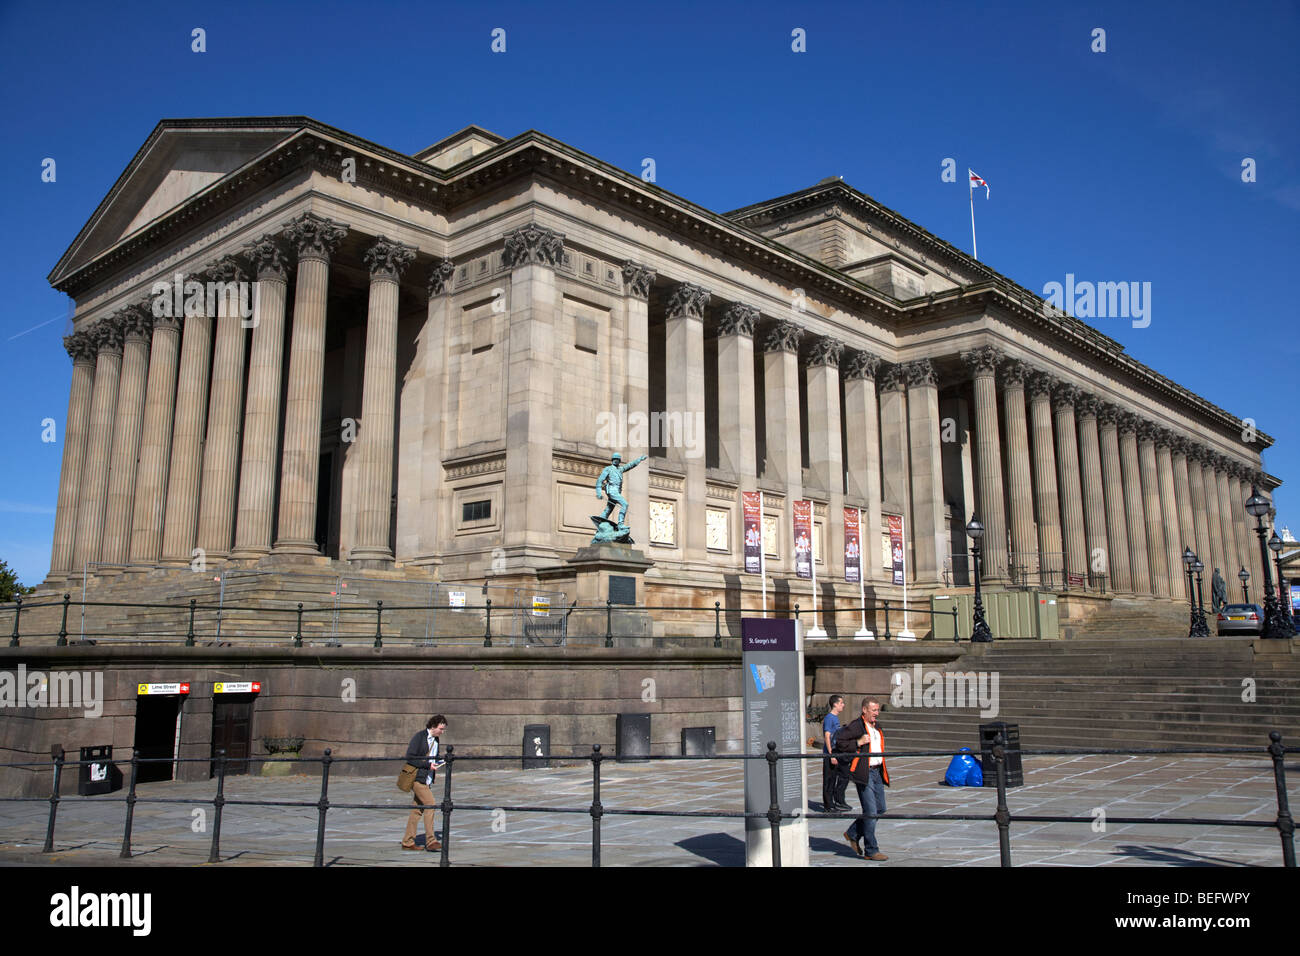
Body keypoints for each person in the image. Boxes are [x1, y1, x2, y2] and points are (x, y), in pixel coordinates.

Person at [837, 698, 890, 861]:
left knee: (880, 808)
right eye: (873, 710)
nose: (876, 713)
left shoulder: (876, 725)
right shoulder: (856, 726)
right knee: (871, 812)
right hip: (864, 773)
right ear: (864, 710)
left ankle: (852, 833)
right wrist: (858, 742)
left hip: (877, 772)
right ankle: (871, 850)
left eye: (877, 710)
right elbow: (840, 742)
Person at [401, 715, 448, 852]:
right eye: (441, 729)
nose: (442, 732)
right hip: (417, 778)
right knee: (431, 805)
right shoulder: (419, 737)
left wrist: (440, 761)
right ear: (433, 726)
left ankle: (408, 842)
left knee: (417, 810)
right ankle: (431, 841)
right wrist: (428, 766)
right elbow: (410, 757)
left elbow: (434, 756)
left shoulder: (436, 739)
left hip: (426, 779)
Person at [821, 695, 850, 811]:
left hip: (837, 752)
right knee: (829, 779)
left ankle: (839, 799)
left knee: (845, 774)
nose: (843, 705)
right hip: (831, 753)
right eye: (841, 703)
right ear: (835, 704)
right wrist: (831, 754)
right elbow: (827, 736)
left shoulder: (835, 718)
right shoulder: (829, 718)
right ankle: (829, 806)